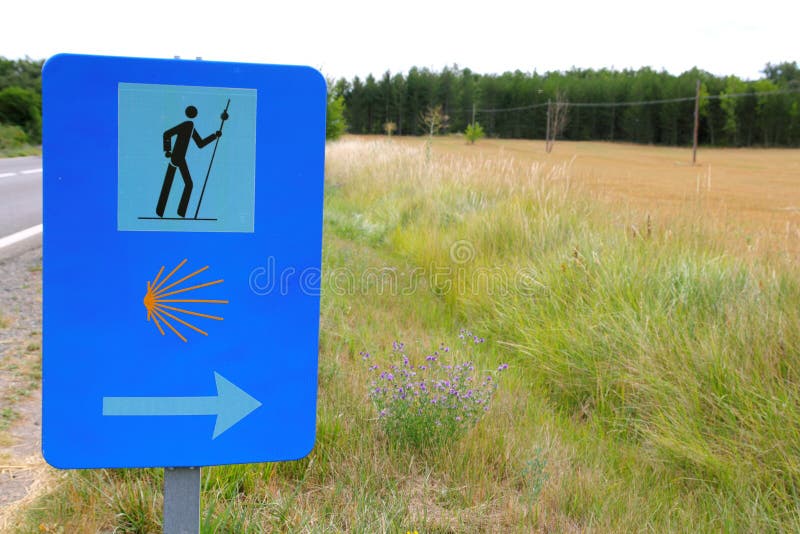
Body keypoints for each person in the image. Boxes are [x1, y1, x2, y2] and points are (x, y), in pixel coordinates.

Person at [156, 105, 228, 218]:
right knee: (178, 184)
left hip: (180, 159)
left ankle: (176, 212)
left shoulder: (191, 126)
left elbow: (200, 143)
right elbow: (167, 133)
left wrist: (215, 136)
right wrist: (167, 150)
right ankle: (167, 212)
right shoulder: (187, 125)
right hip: (175, 158)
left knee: (179, 184)